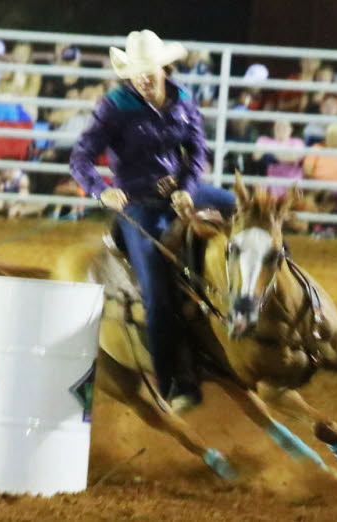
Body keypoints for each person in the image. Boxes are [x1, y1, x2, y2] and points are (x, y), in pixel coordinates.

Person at [70, 30, 236, 411]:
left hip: (181, 191)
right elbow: (81, 157)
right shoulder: (114, 106)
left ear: (164, 68)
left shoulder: (183, 99)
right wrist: (101, 190)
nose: (144, 77)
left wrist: (187, 188)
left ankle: (274, 287)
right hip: (139, 204)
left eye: (150, 70)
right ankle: (173, 381)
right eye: (137, 71)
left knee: (241, 211)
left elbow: (196, 150)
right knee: (157, 289)